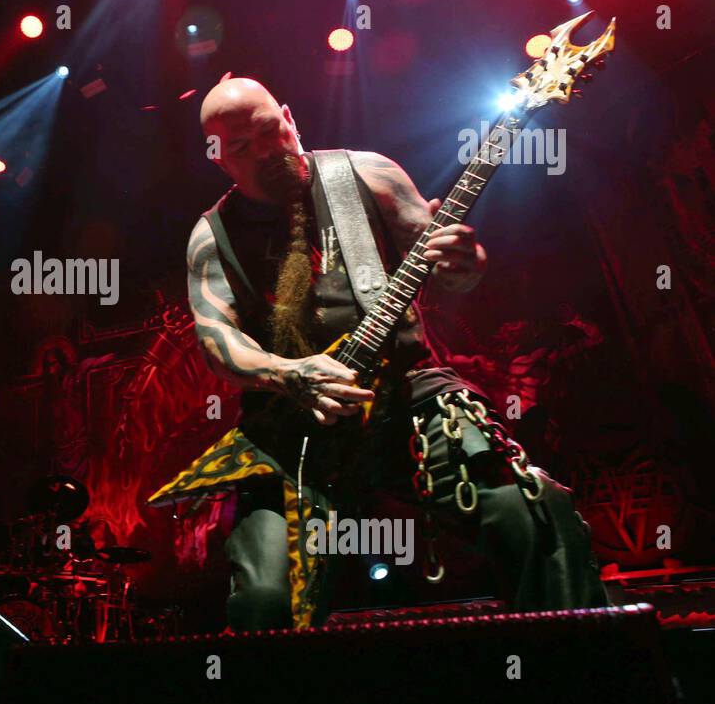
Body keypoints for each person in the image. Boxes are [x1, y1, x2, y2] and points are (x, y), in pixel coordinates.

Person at [173, 76, 607, 630]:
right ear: (217, 156)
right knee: (265, 601)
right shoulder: (212, 236)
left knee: (535, 514)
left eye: (268, 130)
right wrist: (290, 373)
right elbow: (218, 343)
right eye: (240, 146)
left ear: (289, 116)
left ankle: (585, 677)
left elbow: (447, 265)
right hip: (294, 424)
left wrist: (465, 261)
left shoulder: (366, 175)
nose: (263, 150)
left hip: (409, 394)